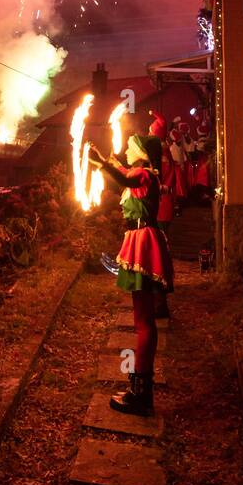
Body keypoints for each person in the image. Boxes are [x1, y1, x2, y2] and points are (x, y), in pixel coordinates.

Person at [88, 133, 174, 416]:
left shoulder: (145, 174)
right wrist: (105, 160)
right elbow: (124, 174)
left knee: (144, 321)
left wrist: (103, 163)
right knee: (143, 320)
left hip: (143, 242)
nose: (126, 147)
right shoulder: (145, 174)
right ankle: (141, 388)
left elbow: (126, 178)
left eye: (131, 144)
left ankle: (141, 394)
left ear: (142, 151)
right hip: (142, 239)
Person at [147, 114, 175, 319]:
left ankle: (159, 301)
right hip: (160, 206)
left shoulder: (160, 154)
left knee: (160, 249)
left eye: (150, 131)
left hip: (160, 208)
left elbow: (159, 182)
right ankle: (159, 299)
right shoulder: (161, 152)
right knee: (160, 248)